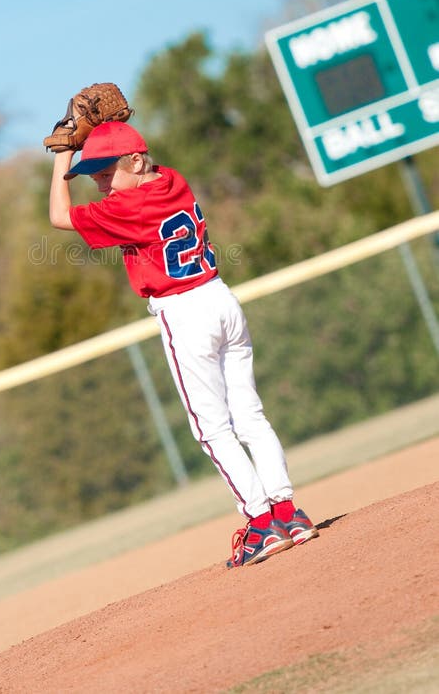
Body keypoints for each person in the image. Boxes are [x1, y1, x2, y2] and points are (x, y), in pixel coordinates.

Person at [48, 117, 319, 567]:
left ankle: (259, 522)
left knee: (211, 429)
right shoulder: (174, 180)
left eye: (104, 172)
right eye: (92, 175)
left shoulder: (125, 208)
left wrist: (62, 156)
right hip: (221, 298)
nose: (99, 183)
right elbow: (148, 172)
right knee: (250, 416)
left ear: (135, 160)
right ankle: (289, 514)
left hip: (185, 313)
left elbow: (59, 217)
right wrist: (109, 132)